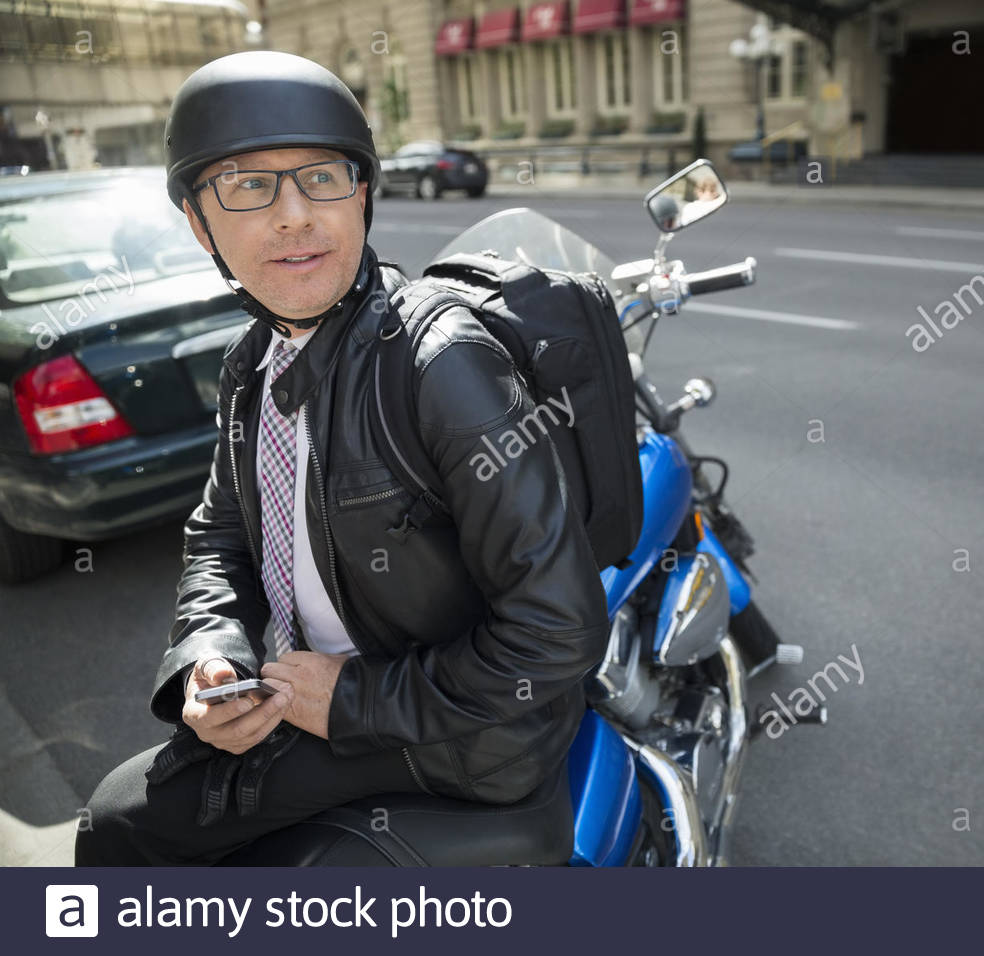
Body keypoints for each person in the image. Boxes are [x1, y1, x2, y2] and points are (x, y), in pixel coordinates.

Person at [74, 51, 609, 866]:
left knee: (117, 829)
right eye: (249, 185)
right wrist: (212, 654)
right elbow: (219, 539)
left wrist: (353, 700)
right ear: (197, 220)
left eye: (321, 177)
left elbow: (558, 632)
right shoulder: (251, 364)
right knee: (117, 821)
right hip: (318, 694)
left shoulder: (441, 365)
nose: (294, 215)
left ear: (361, 192)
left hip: (458, 735)